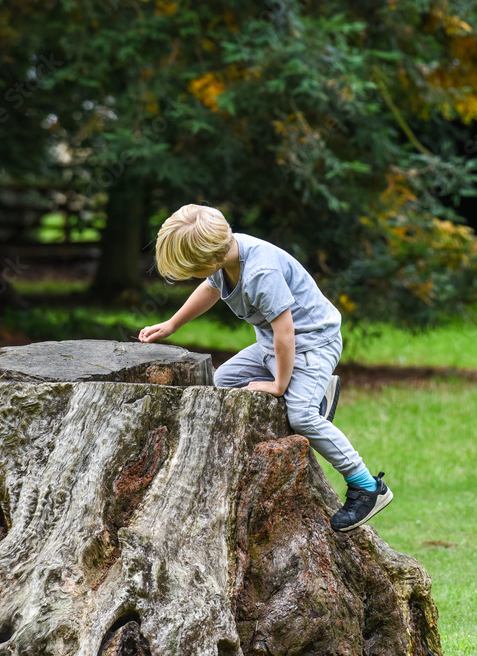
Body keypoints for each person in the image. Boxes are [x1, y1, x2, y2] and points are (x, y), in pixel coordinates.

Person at [138, 203, 392, 532]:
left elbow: (286, 334)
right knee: (221, 382)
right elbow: (211, 288)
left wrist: (279, 386)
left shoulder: (260, 272)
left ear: (211, 258)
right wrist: (173, 324)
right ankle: (315, 394)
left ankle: (367, 486)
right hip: (271, 345)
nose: (190, 276)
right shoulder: (225, 252)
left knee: (301, 415)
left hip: (311, 344)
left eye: (191, 269)